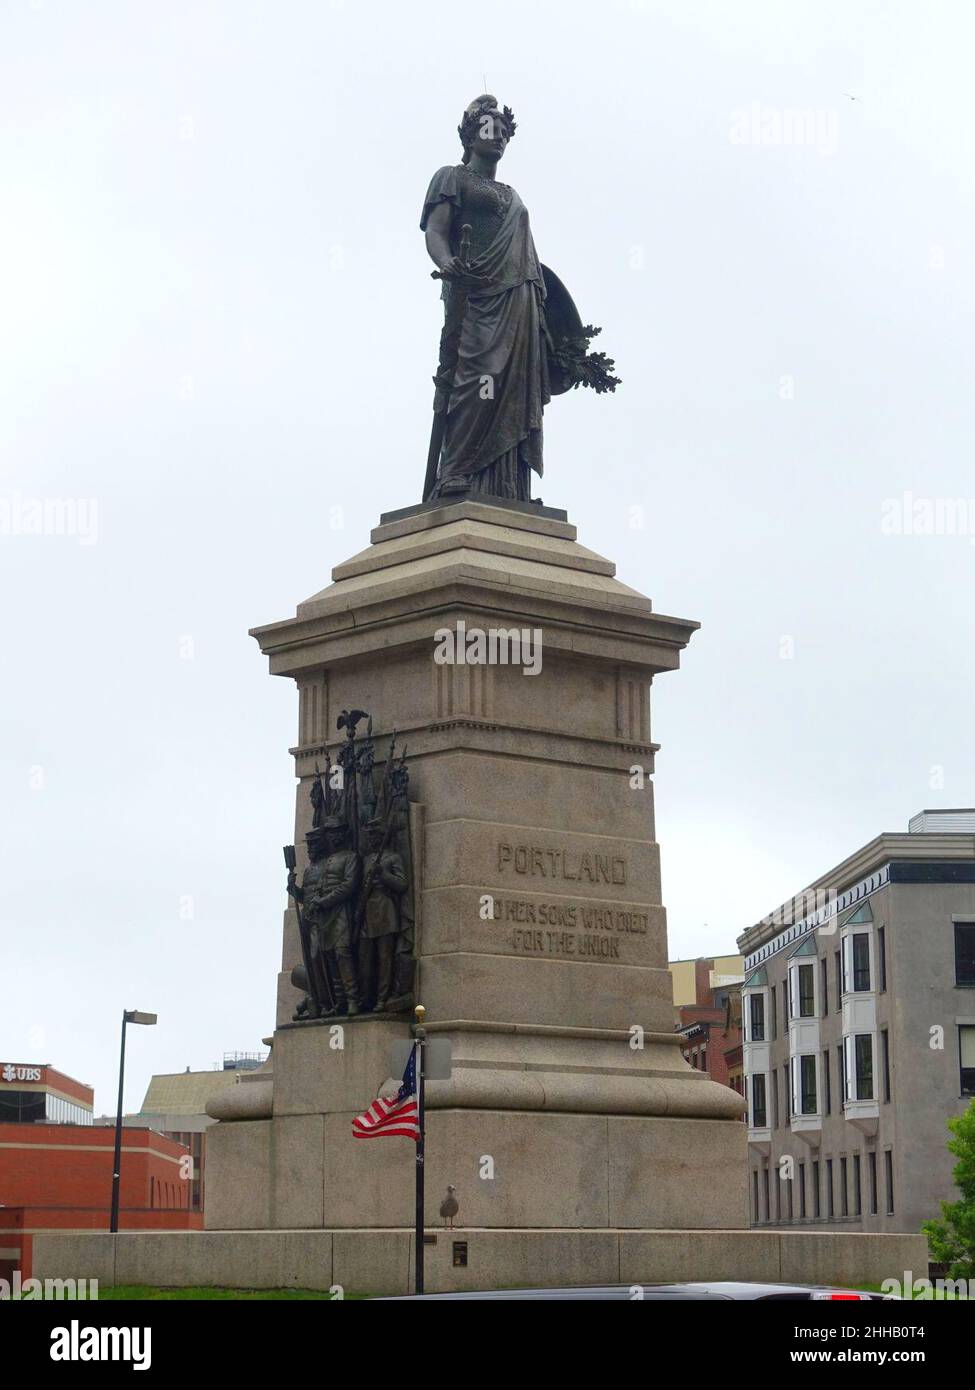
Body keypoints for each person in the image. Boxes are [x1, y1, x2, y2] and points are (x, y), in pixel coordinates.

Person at [421, 94, 549, 502]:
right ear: (469, 136)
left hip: (518, 299)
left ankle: (507, 485)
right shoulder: (451, 177)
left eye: (503, 132)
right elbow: (436, 232)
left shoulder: (512, 195)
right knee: (475, 381)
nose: (497, 137)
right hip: (475, 294)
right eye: (488, 128)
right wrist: (448, 263)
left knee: (513, 385)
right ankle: (455, 471)